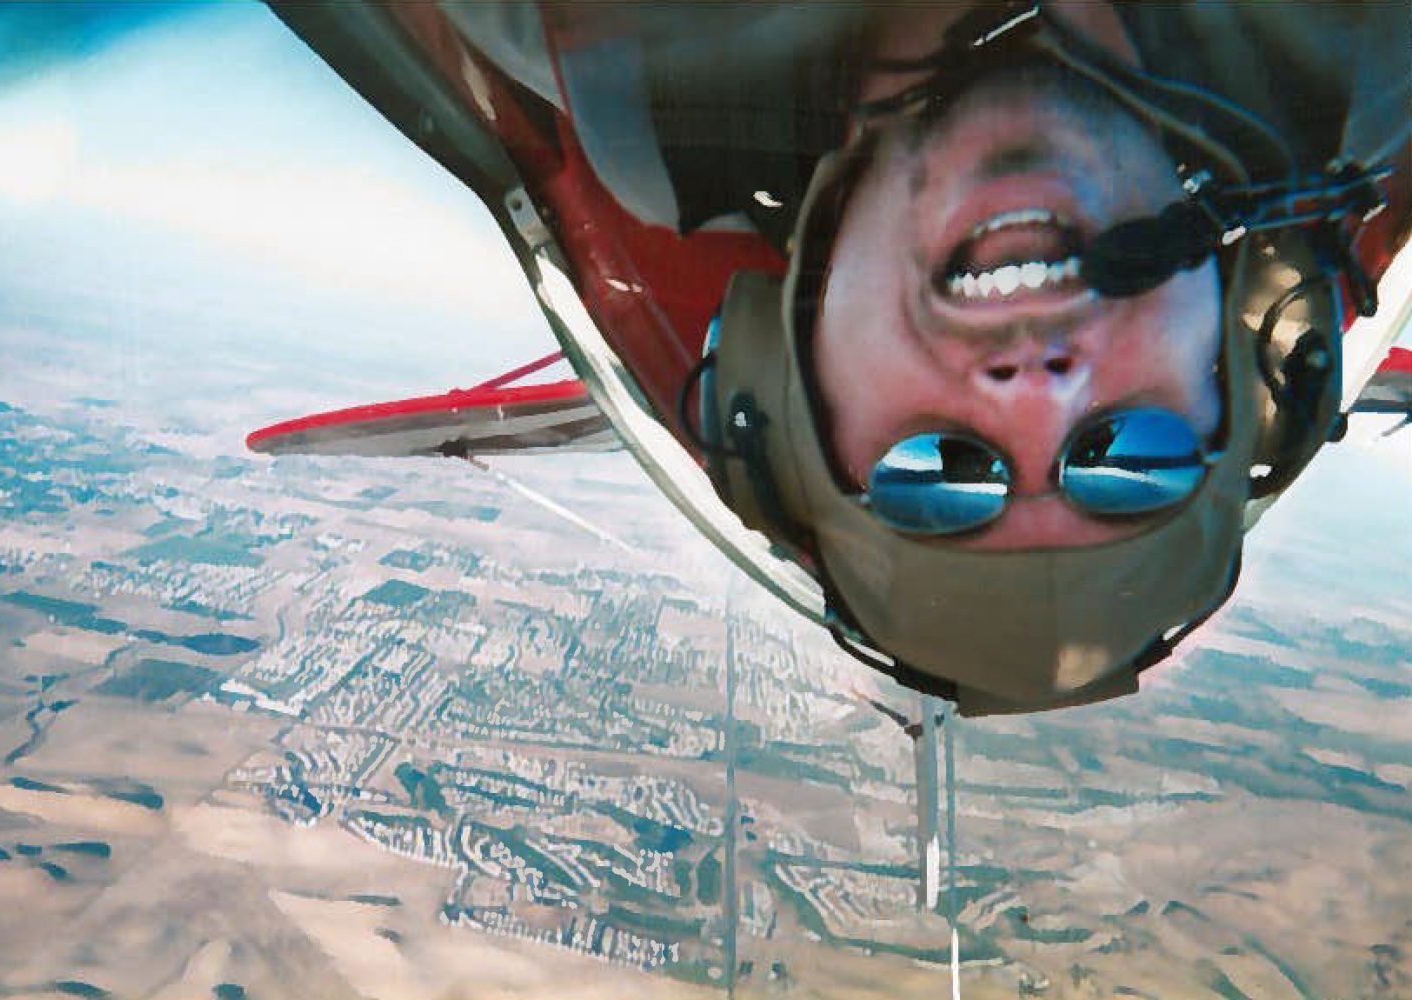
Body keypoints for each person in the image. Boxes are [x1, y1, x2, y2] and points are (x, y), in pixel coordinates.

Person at [269, 2, 1411, 712]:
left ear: (788, 372)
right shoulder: (1362, 60)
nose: (1036, 399)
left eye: (938, 469)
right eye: (1132, 458)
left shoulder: (593, 44)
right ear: (1246, 340)